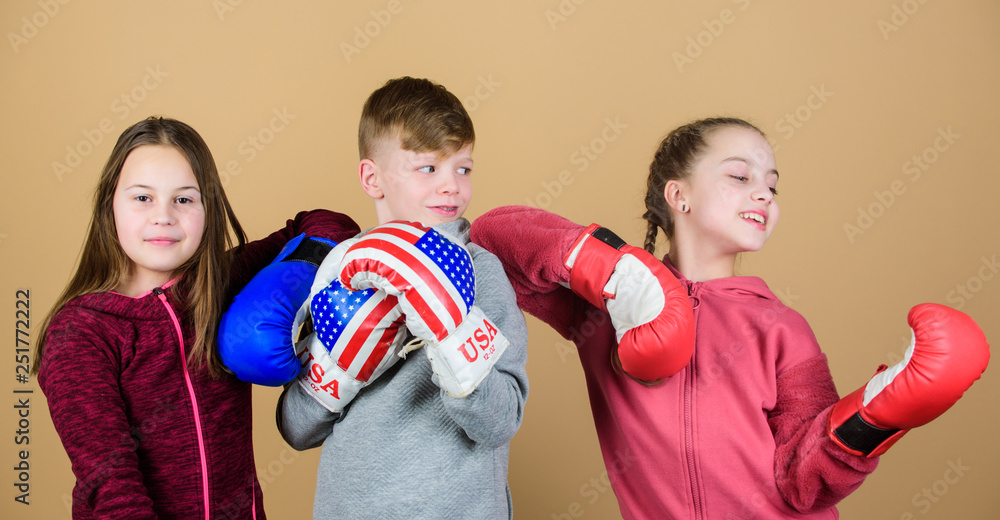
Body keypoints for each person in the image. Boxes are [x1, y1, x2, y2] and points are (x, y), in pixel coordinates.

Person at [469, 117, 989, 519]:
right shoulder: (607, 308)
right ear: (679, 196)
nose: (763, 192)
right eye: (739, 176)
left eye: (772, 184)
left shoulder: (781, 328)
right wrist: (616, 272)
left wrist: (877, 416)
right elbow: (495, 241)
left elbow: (802, 481)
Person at [34, 116, 360, 520]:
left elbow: (329, 223)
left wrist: (296, 276)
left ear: (209, 209)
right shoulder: (82, 333)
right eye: (142, 198)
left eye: (184, 199)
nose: (164, 216)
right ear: (110, 204)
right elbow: (110, 485)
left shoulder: (222, 283)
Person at [264, 77, 529, 519]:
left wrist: (452, 330)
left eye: (463, 168)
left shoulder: (482, 273)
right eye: (428, 168)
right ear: (372, 178)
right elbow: (297, 429)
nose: (451, 187)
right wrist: (337, 367)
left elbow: (499, 423)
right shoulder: (338, 273)